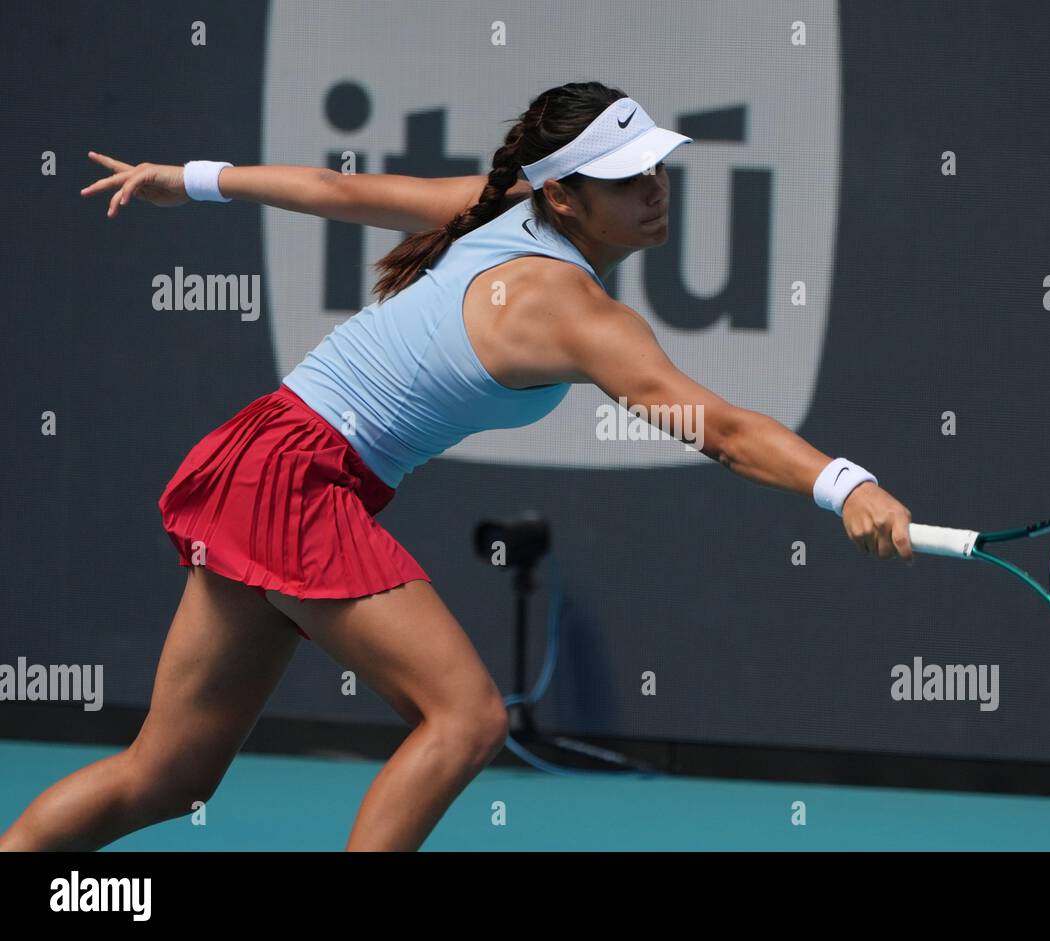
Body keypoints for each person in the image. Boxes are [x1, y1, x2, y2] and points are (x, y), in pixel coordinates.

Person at [0, 81, 912, 852]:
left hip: (263, 456)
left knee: (165, 776)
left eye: (655, 170)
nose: (653, 191)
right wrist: (845, 484)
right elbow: (716, 429)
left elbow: (336, 190)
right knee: (468, 717)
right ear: (563, 195)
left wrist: (186, 179)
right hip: (298, 478)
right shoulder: (571, 308)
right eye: (624, 179)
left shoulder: (498, 208)